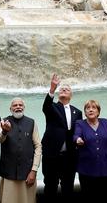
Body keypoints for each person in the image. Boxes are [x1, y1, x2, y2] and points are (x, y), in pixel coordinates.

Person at [41, 74, 82, 202]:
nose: (64, 89)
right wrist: (52, 89)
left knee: (68, 188)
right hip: (52, 156)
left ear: (71, 95)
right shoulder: (51, 107)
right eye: (62, 88)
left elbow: (78, 132)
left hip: (69, 157)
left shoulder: (78, 112)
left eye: (67, 89)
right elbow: (46, 106)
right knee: (50, 187)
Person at [72, 99, 107, 202]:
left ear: (98, 111)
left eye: (94, 108)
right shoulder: (80, 123)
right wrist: (78, 139)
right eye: (88, 108)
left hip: (106, 169)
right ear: (85, 112)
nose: (91, 110)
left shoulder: (105, 122)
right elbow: (76, 135)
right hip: (87, 171)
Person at [0, 97, 42, 203]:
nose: (18, 107)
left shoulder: (32, 122)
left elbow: (38, 146)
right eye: (15, 105)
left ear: (24, 107)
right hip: (8, 173)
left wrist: (34, 170)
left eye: (20, 105)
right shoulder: (4, 122)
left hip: (27, 174)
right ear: (10, 109)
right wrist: (4, 131)